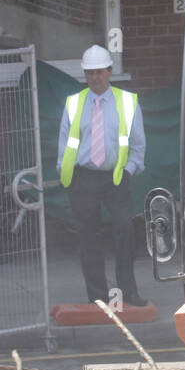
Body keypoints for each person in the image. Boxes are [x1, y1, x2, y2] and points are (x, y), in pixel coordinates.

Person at [57, 44, 147, 308]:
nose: (95, 77)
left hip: (116, 178)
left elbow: (138, 144)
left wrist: (129, 170)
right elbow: (65, 143)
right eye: (89, 73)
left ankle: (128, 292)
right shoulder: (74, 104)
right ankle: (97, 296)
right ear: (84, 75)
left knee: (125, 233)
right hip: (82, 178)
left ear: (110, 71)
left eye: (99, 71)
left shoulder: (128, 102)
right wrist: (67, 174)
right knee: (88, 238)